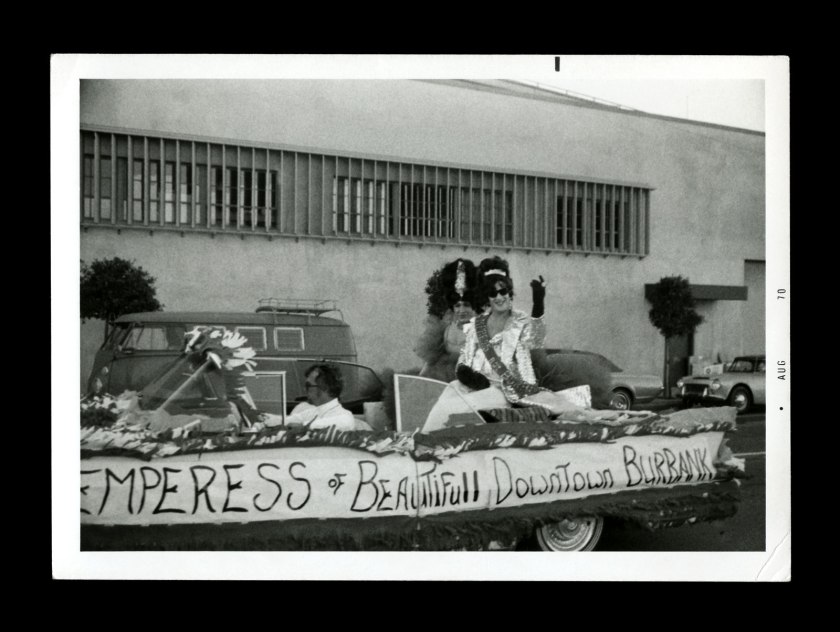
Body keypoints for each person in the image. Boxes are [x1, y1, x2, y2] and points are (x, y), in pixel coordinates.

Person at [423, 257, 596, 431]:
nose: (499, 297)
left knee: (463, 406)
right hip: (474, 386)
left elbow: (535, 341)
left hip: (504, 390)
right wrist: (467, 374)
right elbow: (464, 360)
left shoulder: (519, 321)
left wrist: (538, 305)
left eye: (503, 291)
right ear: (486, 297)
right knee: (446, 397)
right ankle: (427, 436)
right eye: (493, 293)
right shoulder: (477, 324)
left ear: (509, 292)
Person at [414, 259, 479, 383]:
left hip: (472, 383)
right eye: (457, 306)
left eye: (466, 305)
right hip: (442, 381)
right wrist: (420, 380)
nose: (461, 310)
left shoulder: (483, 327)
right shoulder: (447, 325)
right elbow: (431, 361)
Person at [256, 364, 360, 432]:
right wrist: (259, 416)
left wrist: (303, 427)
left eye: (308, 386)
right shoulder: (312, 412)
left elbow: (343, 423)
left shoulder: (344, 416)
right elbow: (285, 420)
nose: (305, 390)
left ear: (324, 388)